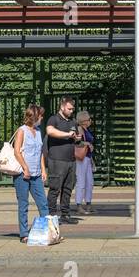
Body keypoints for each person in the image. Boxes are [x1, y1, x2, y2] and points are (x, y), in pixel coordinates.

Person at [11, 104, 50, 243]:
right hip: (22, 174)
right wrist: (25, 168)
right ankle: (24, 233)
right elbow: (16, 151)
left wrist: (43, 170)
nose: (42, 118)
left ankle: (48, 231)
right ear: (34, 116)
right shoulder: (22, 131)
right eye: (40, 115)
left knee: (43, 203)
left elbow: (40, 153)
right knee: (23, 204)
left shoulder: (38, 131)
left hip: (36, 174)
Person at [44, 96, 82, 224]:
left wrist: (77, 138)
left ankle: (65, 214)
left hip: (71, 160)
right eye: (69, 108)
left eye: (72, 109)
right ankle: (51, 215)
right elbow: (50, 131)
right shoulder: (54, 119)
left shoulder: (72, 122)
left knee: (68, 188)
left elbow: (76, 137)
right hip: (57, 160)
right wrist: (67, 135)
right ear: (62, 107)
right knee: (55, 188)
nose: (71, 111)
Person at [72, 110, 96, 214]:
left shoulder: (86, 129)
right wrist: (88, 144)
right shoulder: (80, 129)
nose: (91, 121)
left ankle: (88, 204)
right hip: (81, 159)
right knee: (81, 182)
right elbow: (77, 142)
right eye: (89, 119)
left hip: (87, 158)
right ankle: (79, 205)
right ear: (84, 120)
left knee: (89, 182)